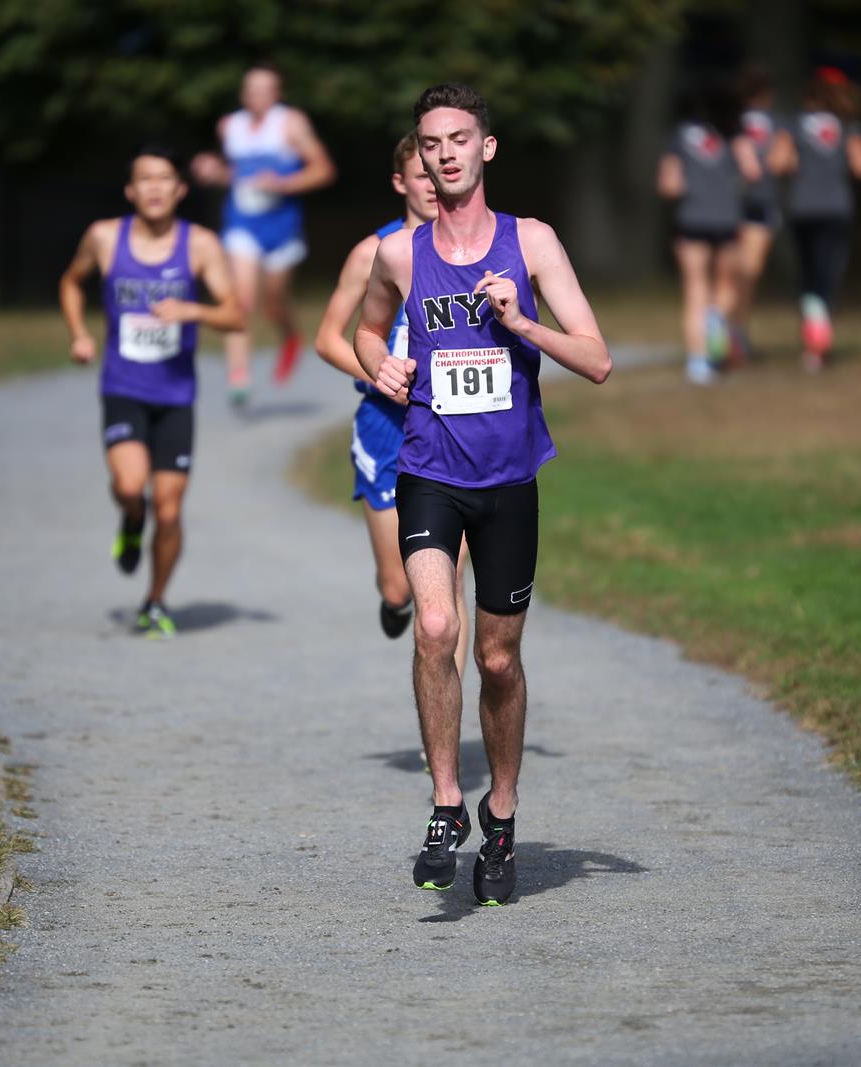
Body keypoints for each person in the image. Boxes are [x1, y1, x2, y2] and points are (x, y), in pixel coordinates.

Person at [354, 83, 611, 906]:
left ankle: (501, 815)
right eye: (431, 144)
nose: (446, 154)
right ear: (419, 159)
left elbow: (598, 358)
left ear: (486, 148)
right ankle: (444, 804)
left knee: (498, 659)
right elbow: (364, 327)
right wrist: (379, 364)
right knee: (435, 626)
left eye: (460, 138)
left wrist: (522, 324)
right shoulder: (398, 253)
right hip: (429, 468)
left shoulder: (530, 242)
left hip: (509, 482)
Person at [58, 144, 243, 638]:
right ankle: (129, 522)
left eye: (165, 179)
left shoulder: (200, 245)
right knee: (127, 487)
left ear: (180, 189)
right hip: (123, 386)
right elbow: (71, 282)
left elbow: (235, 314)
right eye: (145, 179)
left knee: (169, 507)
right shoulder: (104, 237)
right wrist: (79, 333)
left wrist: (193, 311)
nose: (155, 188)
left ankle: (155, 600)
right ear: (130, 190)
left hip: (176, 396)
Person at [313, 132, 470, 672]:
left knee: (447, 581)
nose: (432, 183)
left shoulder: (473, 248)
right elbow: (329, 337)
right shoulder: (373, 251)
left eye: (438, 171)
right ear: (401, 181)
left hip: (456, 430)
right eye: (420, 173)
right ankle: (393, 600)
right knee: (403, 584)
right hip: (386, 426)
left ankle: (444, 722)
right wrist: (378, 372)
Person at [190, 63, 336, 406]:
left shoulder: (291, 123)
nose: (257, 96)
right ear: (243, 94)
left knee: (274, 303)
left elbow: (323, 170)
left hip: (282, 227)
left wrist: (284, 183)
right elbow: (236, 175)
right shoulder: (229, 126)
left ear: (277, 93)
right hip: (242, 222)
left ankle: (289, 336)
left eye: (265, 89)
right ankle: (238, 374)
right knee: (240, 296)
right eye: (251, 89)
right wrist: (213, 171)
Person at [767, 67, 861, 373]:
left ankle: (813, 341)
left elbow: (777, 161)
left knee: (809, 270)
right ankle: (820, 336)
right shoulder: (849, 126)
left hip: (803, 206)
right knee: (829, 272)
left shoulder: (795, 124)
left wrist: (800, 162)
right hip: (837, 207)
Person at [656, 86, 761, 385]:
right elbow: (753, 171)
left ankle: (698, 362)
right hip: (726, 218)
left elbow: (668, 185)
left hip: (691, 219)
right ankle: (717, 319)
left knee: (694, 288)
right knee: (727, 283)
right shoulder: (735, 135)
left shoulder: (681, 135)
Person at [733, 65, 783, 362]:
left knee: (729, 272)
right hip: (762, 202)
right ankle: (738, 330)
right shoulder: (778, 125)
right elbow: (780, 163)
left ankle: (722, 330)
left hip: (728, 203)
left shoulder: (730, 121)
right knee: (750, 272)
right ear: (767, 94)